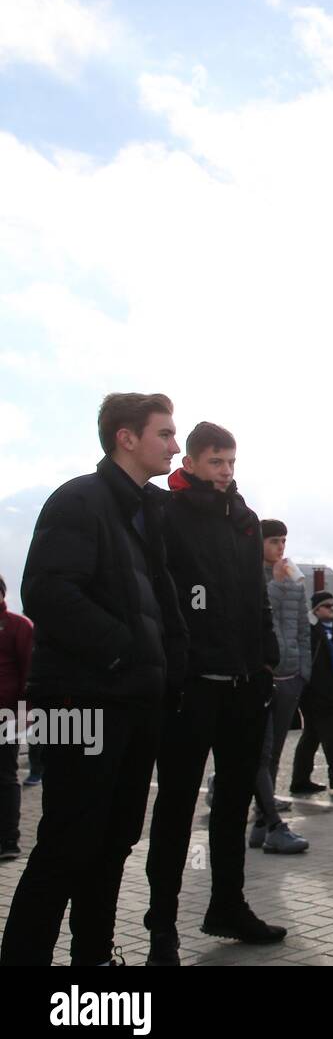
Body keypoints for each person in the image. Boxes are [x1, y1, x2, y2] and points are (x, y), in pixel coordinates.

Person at [0, 393, 188, 966]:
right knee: (66, 844)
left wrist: (166, 669)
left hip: (133, 701)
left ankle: (93, 962)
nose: (174, 446)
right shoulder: (79, 500)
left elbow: (158, 604)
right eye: (164, 434)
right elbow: (51, 594)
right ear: (125, 438)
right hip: (80, 701)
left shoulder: (146, 510)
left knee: (113, 844)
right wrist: (127, 653)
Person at [143, 421, 288, 965]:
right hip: (191, 688)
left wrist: (266, 654)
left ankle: (228, 905)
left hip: (245, 684)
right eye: (215, 463)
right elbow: (160, 594)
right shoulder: (165, 512)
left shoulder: (244, 519)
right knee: (177, 808)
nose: (226, 472)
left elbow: (256, 595)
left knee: (232, 804)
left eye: (230, 462)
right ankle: (161, 926)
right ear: (191, 463)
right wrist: (175, 668)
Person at [248, 520, 310, 854]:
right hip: (263, 677)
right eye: (274, 541)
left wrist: (304, 671)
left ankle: (261, 821)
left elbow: (303, 627)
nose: (280, 548)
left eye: (284, 541)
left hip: (290, 677)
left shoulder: (293, 581)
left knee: (273, 753)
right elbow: (255, 619)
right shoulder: (254, 575)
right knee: (261, 751)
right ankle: (269, 821)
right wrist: (276, 585)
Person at [292, 591, 333, 795]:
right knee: (332, 735)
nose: (332, 609)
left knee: (311, 736)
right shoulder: (311, 630)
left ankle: (300, 779)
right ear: (316, 609)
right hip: (318, 691)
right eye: (327, 606)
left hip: (332, 688)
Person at [0, 574, 35, 861]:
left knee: (5, 775)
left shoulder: (18, 626)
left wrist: (24, 714)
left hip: (6, 714)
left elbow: (29, 673)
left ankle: (9, 839)